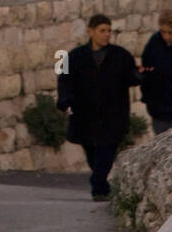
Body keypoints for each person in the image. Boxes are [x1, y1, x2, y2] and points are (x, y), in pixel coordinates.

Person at [56, 13, 140, 201]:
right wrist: (65, 101)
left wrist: (141, 75)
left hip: (113, 115)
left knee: (107, 151)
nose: (106, 34)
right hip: (85, 115)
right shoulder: (75, 57)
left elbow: (131, 77)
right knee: (93, 155)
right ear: (90, 31)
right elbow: (64, 81)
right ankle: (102, 185)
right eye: (102, 31)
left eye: (109, 31)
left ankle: (99, 188)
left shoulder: (120, 55)